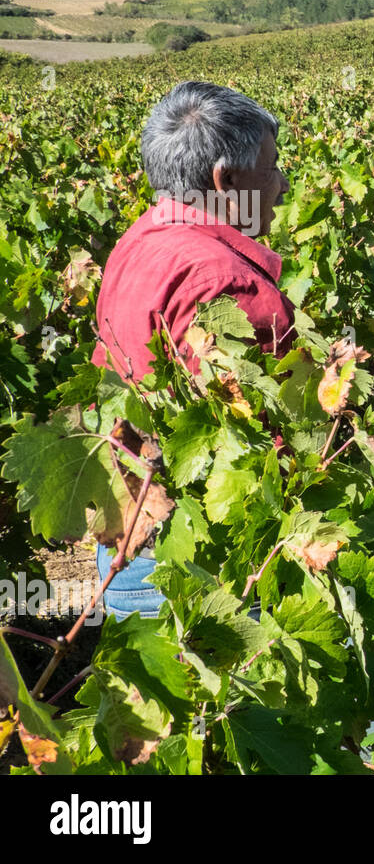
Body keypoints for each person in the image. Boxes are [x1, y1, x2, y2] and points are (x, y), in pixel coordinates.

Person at [91, 81, 295, 619]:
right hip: (200, 570)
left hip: (131, 547)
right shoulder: (224, 281)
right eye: (272, 168)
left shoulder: (140, 239)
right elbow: (266, 447)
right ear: (225, 181)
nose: (284, 184)